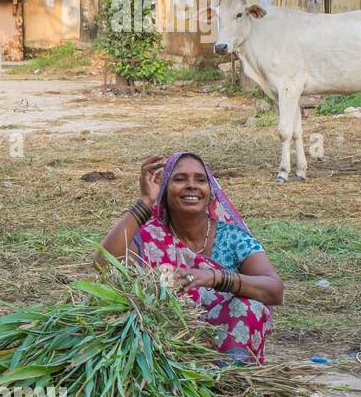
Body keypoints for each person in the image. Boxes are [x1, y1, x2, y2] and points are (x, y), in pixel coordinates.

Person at [100, 152, 283, 364]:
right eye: (179, 179)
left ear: (210, 192)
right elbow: (104, 264)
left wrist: (214, 277)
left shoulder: (232, 238)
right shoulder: (149, 235)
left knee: (250, 306)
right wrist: (146, 200)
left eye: (200, 180)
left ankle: (231, 380)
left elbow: (274, 290)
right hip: (166, 349)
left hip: (228, 352)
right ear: (164, 190)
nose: (191, 186)